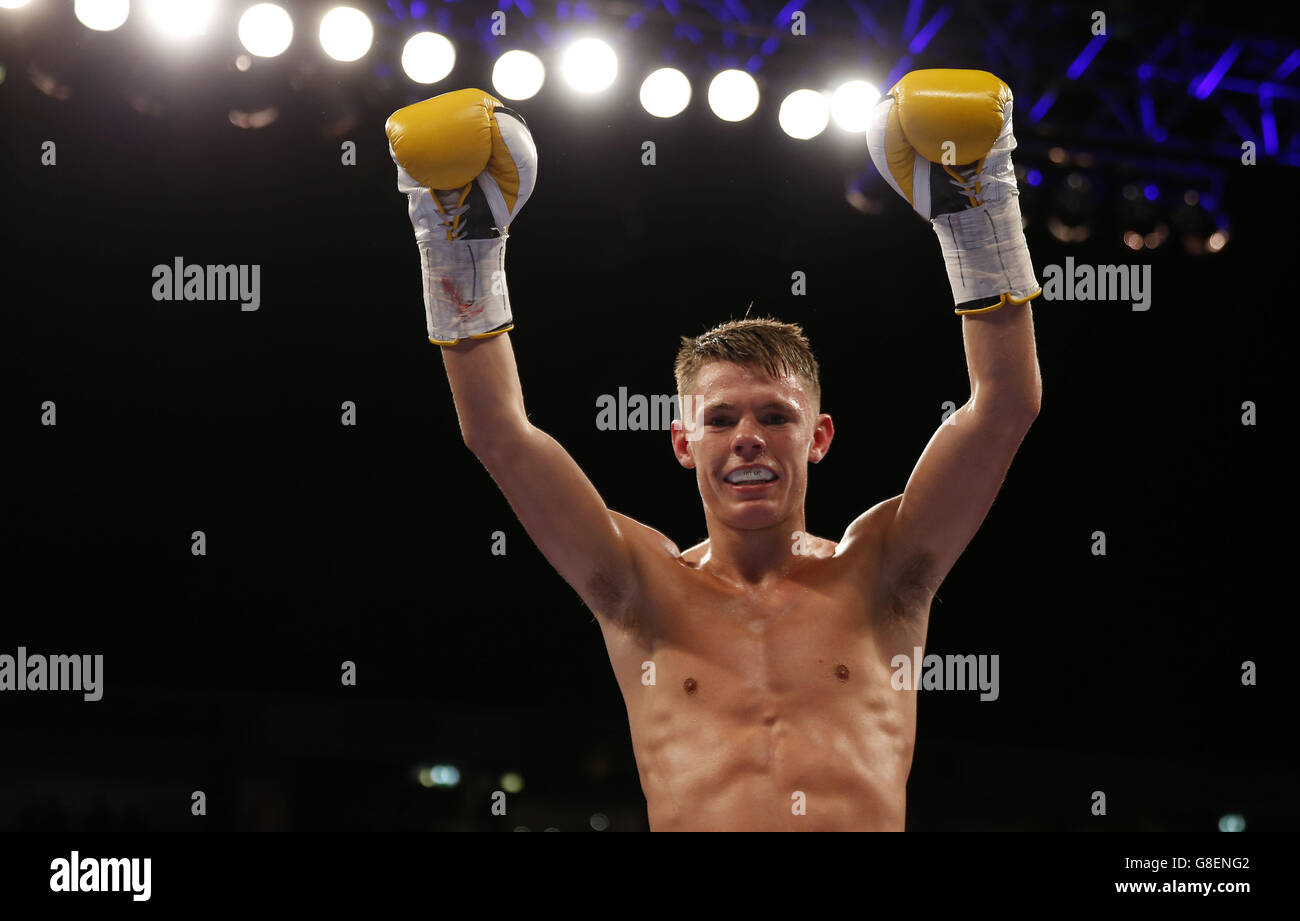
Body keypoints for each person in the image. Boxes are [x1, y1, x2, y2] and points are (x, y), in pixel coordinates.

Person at [385, 69, 1042, 831]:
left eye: (775, 415)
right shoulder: (640, 588)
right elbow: (497, 432)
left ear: (819, 436)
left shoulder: (885, 573)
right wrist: (456, 248)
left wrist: (981, 212)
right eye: (722, 418)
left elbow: (1004, 408)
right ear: (683, 442)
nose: (749, 438)